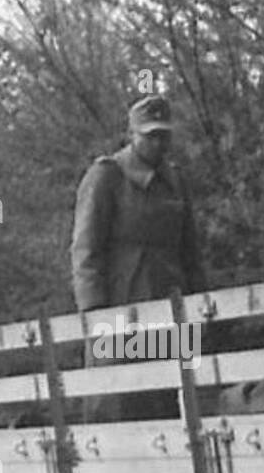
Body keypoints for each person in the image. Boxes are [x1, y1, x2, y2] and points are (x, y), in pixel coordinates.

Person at [70, 95, 207, 419]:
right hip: (120, 315)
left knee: (177, 408)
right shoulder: (106, 177)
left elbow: (191, 252)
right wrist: (95, 314)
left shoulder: (175, 181)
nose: (159, 144)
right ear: (132, 135)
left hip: (171, 310)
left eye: (164, 135)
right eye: (150, 136)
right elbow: (85, 250)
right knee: (120, 407)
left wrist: (201, 307)